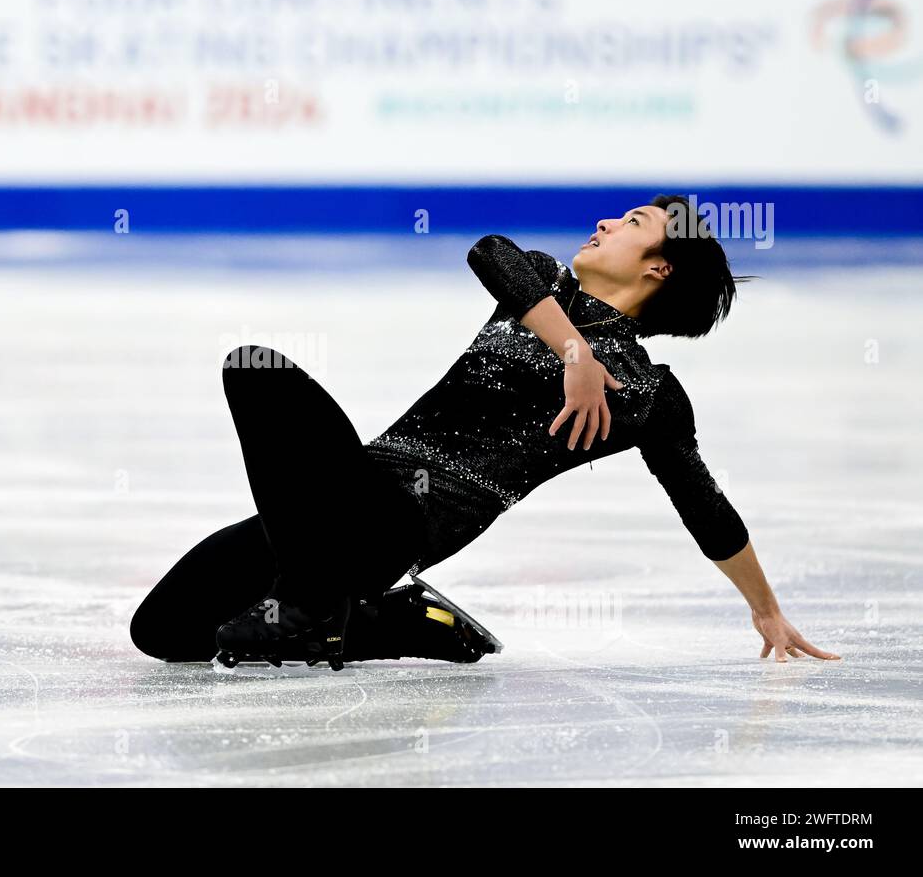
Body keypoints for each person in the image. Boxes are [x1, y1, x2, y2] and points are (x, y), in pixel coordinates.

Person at [130, 195, 841, 669]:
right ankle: (388, 620)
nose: (607, 223)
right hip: (335, 504)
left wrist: (768, 611)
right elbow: (489, 251)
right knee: (163, 633)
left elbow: (705, 506)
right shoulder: (540, 288)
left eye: (632, 223)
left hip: (397, 525)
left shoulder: (649, 391)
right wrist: (574, 352)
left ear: (660, 266)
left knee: (256, 372)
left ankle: (325, 608)